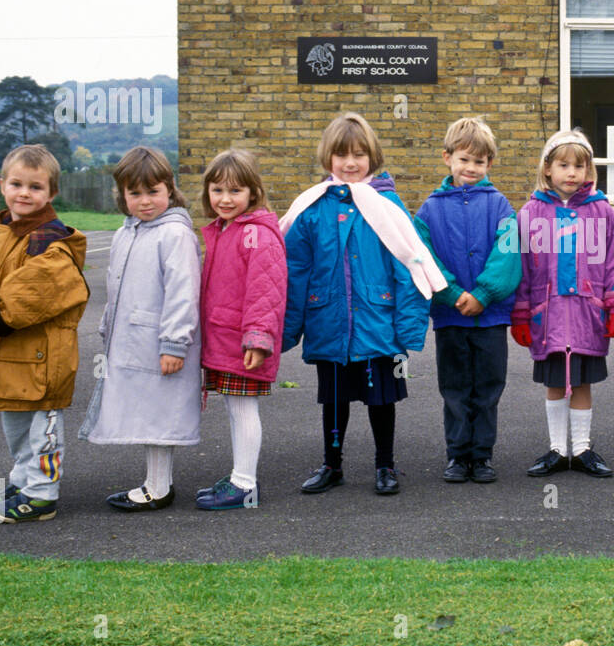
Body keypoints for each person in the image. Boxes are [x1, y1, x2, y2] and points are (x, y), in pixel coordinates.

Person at [281, 113, 438, 496]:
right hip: (329, 322)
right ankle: (331, 465)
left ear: (373, 157)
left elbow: (410, 266)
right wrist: (287, 328)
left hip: (377, 324)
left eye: (359, 154)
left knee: (380, 400)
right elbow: (295, 271)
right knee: (334, 401)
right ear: (327, 158)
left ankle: (386, 465)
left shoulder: (388, 205)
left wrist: (408, 329)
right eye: (341, 154)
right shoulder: (311, 208)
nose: (350, 163)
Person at [0, 144, 89, 523]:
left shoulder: (54, 241)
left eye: (36, 187)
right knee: (16, 428)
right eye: (17, 184)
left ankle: (41, 494)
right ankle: (23, 479)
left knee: (42, 429)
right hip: (7, 355)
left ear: (51, 193)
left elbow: (35, 289)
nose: (24, 193)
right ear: (2, 185)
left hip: (41, 358)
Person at [79, 146, 202, 511]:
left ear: (170, 189)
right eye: (135, 193)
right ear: (123, 195)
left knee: (160, 414)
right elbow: (116, 288)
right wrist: (107, 326)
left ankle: (158, 488)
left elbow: (184, 293)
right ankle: (155, 483)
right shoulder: (127, 233)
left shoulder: (175, 235)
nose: (145, 201)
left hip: (161, 344)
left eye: (153, 192)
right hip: (134, 341)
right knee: (149, 413)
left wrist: (174, 344)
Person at [513, 129, 614, 479]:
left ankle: (581, 447)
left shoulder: (602, 212)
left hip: (586, 314)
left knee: (581, 383)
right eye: (563, 165)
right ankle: (557, 449)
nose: (571, 173)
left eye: (579, 166)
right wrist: (520, 311)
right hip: (546, 316)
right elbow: (519, 266)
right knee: (554, 383)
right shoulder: (531, 212)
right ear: (547, 168)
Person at [412, 116, 521, 483]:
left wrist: (484, 294)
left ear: (489, 164)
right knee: (455, 388)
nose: (471, 168)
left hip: (490, 318)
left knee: (488, 388)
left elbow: (507, 255)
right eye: (464, 159)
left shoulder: (501, 206)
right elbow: (424, 257)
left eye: (480, 161)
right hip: (451, 316)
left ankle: (482, 454)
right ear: (448, 158)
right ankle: (458, 455)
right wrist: (456, 295)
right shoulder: (429, 209)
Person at [194, 148, 288, 509]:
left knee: (244, 408)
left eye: (235, 191)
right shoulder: (224, 230)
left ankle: (245, 484)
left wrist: (259, 339)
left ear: (253, 193)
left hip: (245, 341)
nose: (225, 199)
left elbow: (267, 291)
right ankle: (238, 477)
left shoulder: (258, 234)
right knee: (235, 408)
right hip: (226, 336)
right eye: (217, 190)